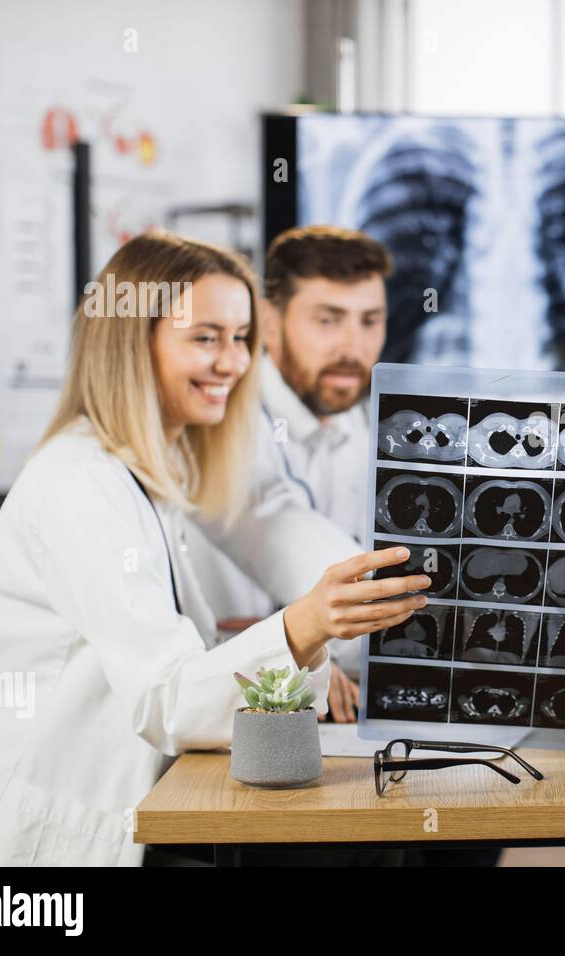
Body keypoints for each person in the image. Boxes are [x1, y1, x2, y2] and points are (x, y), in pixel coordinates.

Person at [0, 233, 430, 865]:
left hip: (134, 805)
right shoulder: (80, 484)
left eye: (241, 338)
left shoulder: (155, 469)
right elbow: (164, 698)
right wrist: (305, 625)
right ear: (132, 343)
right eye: (206, 337)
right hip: (20, 841)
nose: (235, 362)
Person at [187, 225, 390, 721]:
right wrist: (311, 656)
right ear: (269, 324)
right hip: (223, 705)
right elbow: (277, 528)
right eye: (328, 320)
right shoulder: (218, 418)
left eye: (369, 321)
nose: (353, 346)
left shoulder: (370, 423)